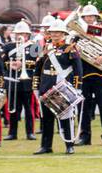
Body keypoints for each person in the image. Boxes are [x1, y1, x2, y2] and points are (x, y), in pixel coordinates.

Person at [33, 20, 79, 155]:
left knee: (65, 118)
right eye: (52, 32)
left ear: (63, 34)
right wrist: (36, 87)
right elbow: (38, 69)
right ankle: (46, 146)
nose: (55, 35)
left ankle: (69, 145)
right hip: (46, 86)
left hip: (62, 87)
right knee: (46, 119)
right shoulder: (45, 49)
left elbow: (78, 70)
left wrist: (77, 88)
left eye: (58, 32)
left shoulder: (70, 48)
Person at [75, 3, 102, 146]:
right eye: (86, 16)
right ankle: (85, 136)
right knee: (83, 107)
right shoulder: (77, 34)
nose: (89, 19)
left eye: (91, 16)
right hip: (83, 73)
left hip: (100, 74)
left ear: (96, 17)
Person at [4, 21, 36, 141]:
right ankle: (12, 133)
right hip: (12, 81)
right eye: (18, 33)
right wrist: (11, 64)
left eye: (23, 33)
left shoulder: (34, 46)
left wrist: (22, 64)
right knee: (13, 108)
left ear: (27, 34)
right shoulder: (8, 46)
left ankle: (30, 132)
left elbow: (36, 63)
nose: (20, 35)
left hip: (27, 81)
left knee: (29, 108)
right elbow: (2, 63)